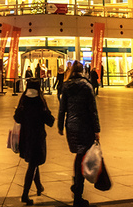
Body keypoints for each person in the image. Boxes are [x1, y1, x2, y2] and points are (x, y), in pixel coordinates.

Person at [58, 61, 100, 207]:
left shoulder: (66, 86)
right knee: (82, 156)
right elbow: (93, 110)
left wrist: (59, 126)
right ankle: (77, 193)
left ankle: (76, 186)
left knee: (79, 155)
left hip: (71, 126)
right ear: (83, 71)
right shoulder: (87, 86)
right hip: (85, 126)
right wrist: (96, 130)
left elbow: (62, 109)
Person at [14, 77, 54, 205]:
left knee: (33, 162)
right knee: (33, 164)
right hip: (37, 137)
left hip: (25, 137)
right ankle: (25, 194)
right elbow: (50, 121)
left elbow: (17, 118)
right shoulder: (39, 101)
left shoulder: (24, 100)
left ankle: (39, 187)